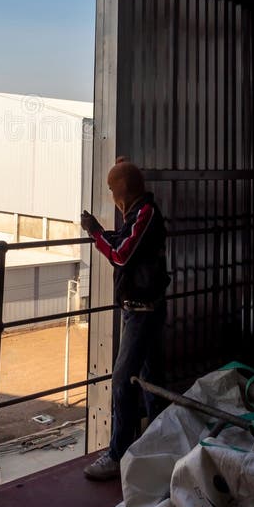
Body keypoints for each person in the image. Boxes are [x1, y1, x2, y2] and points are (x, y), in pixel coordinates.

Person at [80, 157, 170, 480]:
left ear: (122, 189)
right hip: (141, 308)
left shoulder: (145, 214)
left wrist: (94, 233)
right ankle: (156, 442)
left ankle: (118, 453)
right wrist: (104, 233)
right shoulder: (137, 214)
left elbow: (120, 255)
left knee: (122, 380)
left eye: (110, 188)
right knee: (150, 379)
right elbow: (123, 244)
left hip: (143, 312)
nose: (110, 195)